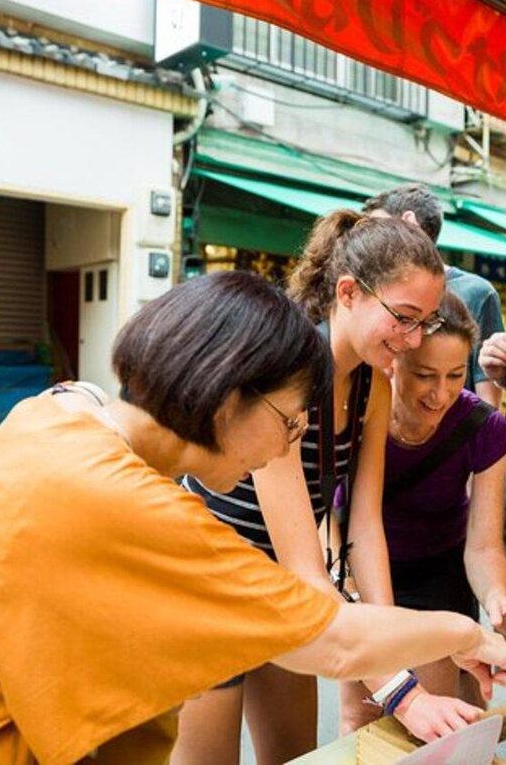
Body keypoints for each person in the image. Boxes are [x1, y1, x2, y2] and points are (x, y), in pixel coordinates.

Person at [0, 271, 504, 764]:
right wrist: (468, 635)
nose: (288, 443)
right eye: (289, 419)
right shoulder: (146, 514)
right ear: (227, 395)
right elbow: (337, 644)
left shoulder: (58, 410)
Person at [174, 213, 486, 765]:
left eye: (426, 323)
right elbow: (304, 565)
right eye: (404, 318)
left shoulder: (372, 383)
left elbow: (365, 531)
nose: (413, 340)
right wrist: (400, 690)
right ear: (348, 292)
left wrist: (391, 647)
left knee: (295, 755)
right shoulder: (283, 371)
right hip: (205, 590)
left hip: (278, 596)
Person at [344, 291, 506, 732]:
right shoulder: (356, 413)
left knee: (428, 720)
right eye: (425, 375)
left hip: (439, 573)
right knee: (362, 715)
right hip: (361, 569)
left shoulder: (484, 427)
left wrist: (496, 595)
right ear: (393, 362)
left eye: (456, 375)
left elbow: (484, 546)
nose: (441, 393)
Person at [363, 183, 504, 409]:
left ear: (409, 223)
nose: (368, 240)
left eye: (377, 228)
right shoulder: (374, 290)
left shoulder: (477, 292)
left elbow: (487, 404)